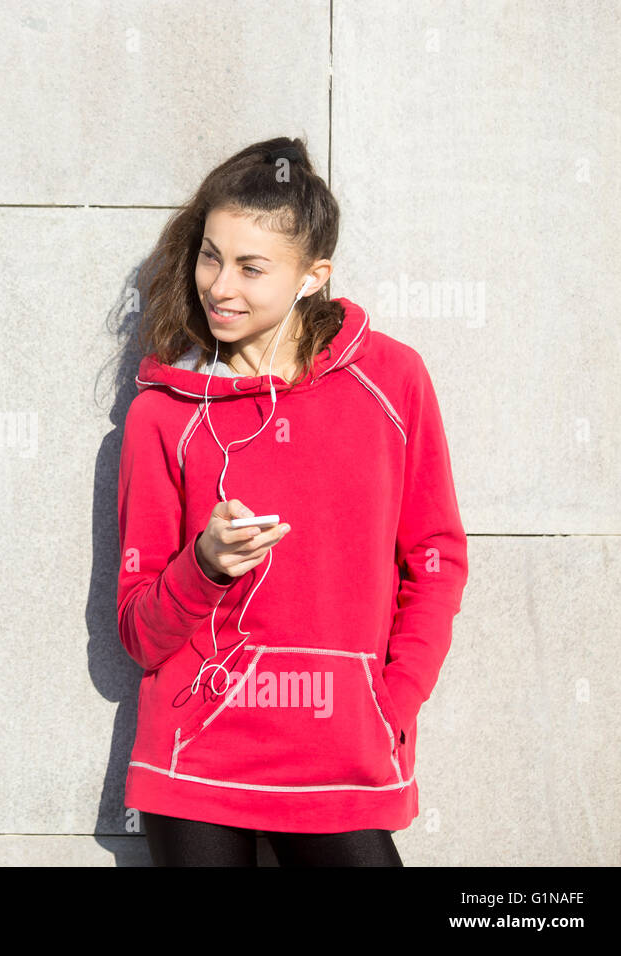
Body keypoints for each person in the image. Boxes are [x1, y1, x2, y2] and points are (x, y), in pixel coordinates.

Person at [116, 136, 469, 866]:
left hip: (341, 753)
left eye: (251, 268)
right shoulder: (163, 414)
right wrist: (204, 565)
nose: (219, 286)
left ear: (314, 277)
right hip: (196, 763)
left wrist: (392, 700)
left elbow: (436, 560)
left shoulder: (392, 380)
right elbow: (138, 633)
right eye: (210, 256)